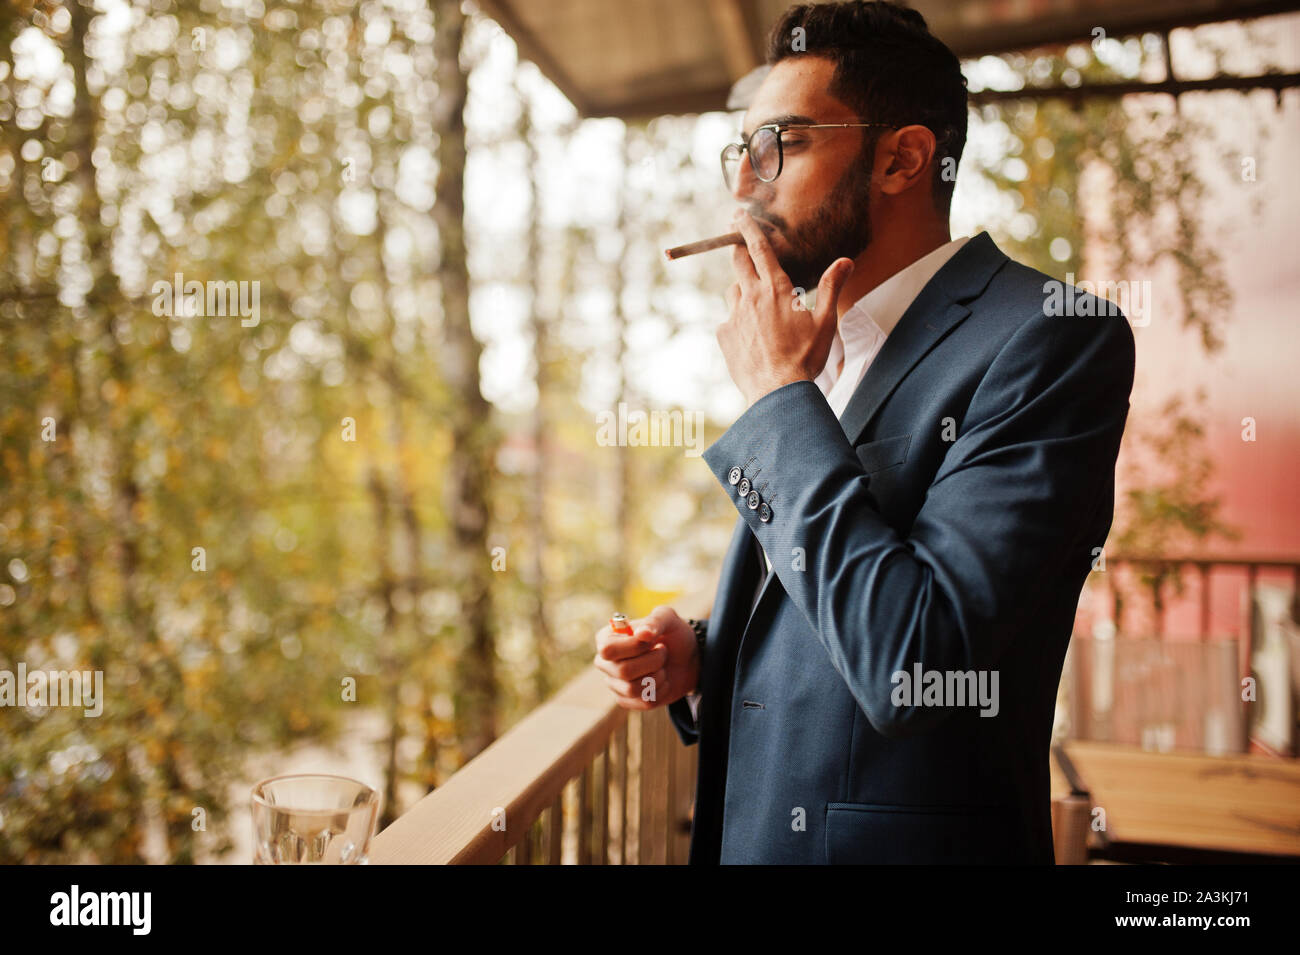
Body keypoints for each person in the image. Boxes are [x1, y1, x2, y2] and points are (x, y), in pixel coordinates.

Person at [593, 0, 1134, 864]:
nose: (744, 186)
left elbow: (917, 657)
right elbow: (842, 583)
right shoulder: (820, 348)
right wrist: (708, 646)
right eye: (742, 152)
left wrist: (777, 396)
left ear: (902, 158)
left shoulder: (1051, 337)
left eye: (781, 145)